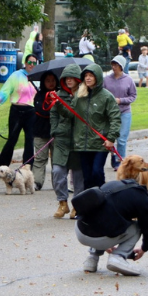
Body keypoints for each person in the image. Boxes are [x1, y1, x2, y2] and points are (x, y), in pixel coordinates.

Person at [72, 178, 148, 276]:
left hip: (80, 230)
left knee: (97, 212)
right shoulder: (145, 201)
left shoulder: (113, 184)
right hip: (101, 237)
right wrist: (144, 248)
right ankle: (118, 256)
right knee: (137, 227)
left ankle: (91, 259)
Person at [65, 63, 120, 189]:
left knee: (97, 171)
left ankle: (103, 194)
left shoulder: (106, 96)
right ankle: (90, 202)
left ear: (97, 78)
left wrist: (111, 138)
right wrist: (58, 104)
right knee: (87, 176)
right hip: (83, 144)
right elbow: (70, 114)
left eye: (91, 75)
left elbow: (115, 118)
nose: (88, 78)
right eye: (86, 76)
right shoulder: (79, 95)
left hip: (100, 143)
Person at [0, 54, 38, 171]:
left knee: (30, 140)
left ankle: (27, 167)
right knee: (12, 140)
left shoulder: (38, 77)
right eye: (29, 62)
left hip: (31, 112)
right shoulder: (16, 76)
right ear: (25, 63)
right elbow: (4, 92)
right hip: (16, 111)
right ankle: (1, 167)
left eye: (34, 63)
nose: (32, 65)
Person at [49, 65, 85, 219]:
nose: (69, 81)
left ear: (78, 79)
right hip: (61, 138)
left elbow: (76, 114)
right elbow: (53, 114)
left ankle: (77, 205)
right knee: (57, 171)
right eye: (66, 78)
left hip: (78, 140)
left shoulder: (84, 95)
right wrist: (55, 129)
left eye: (72, 78)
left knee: (78, 175)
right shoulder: (58, 95)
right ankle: (62, 203)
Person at [105, 55, 136, 168]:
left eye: (116, 65)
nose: (114, 67)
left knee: (122, 138)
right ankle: (114, 156)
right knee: (111, 138)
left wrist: (121, 100)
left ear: (121, 66)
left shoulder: (128, 80)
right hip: (110, 113)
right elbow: (102, 94)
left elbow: (133, 96)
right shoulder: (107, 79)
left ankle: (120, 161)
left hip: (124, 112)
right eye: (113, 65)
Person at [31, 73, 59, 192]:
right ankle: (37, 182)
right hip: (40, 131)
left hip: (56, 132)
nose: (51, 83)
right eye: (48, 81)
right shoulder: (39, 95)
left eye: (53, 80)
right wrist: (52, 103)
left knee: (57, 159)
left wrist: (56, 100)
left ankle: (58, 183)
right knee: (40, 158)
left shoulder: (60, 95)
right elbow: (42, 111)